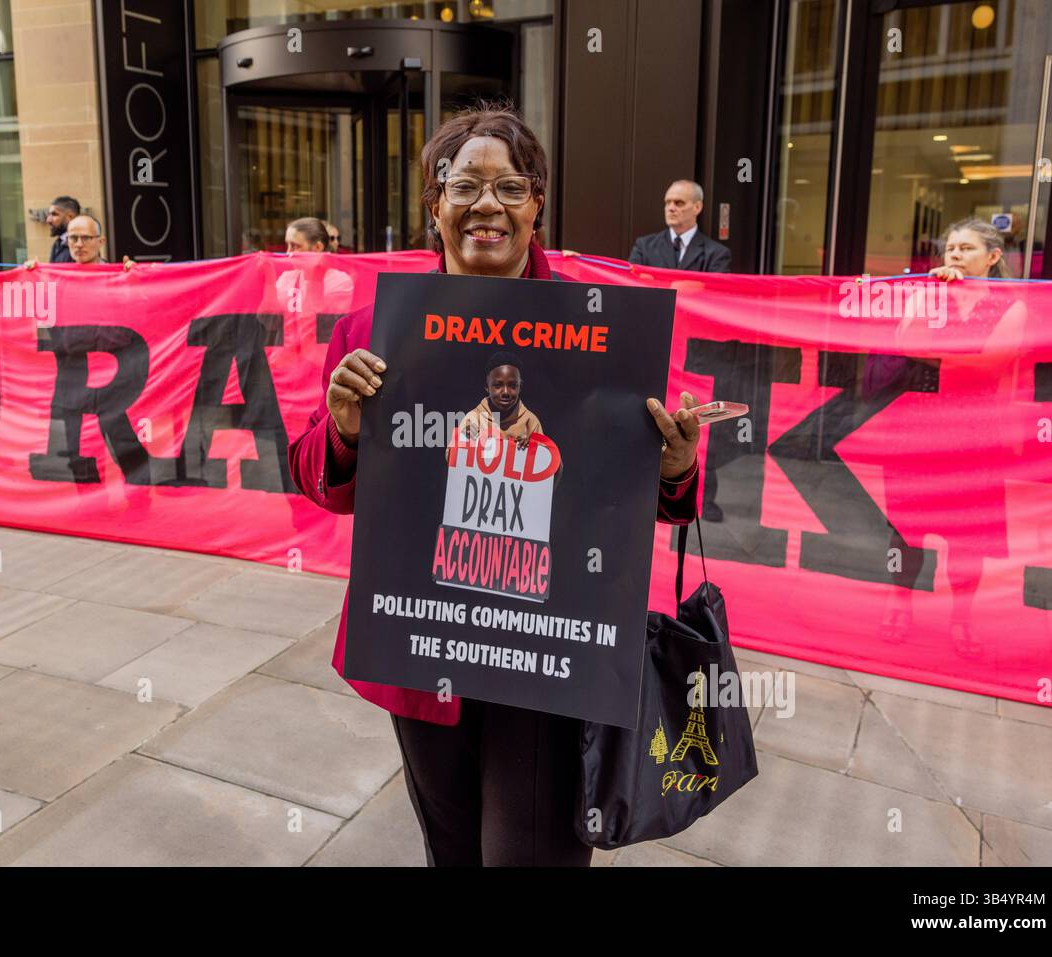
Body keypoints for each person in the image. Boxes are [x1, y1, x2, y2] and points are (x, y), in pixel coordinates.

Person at [287, 104, 702, 867]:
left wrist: (675, 464)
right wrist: (346, 428)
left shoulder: (601, 329)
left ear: (537, 205)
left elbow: (655, 480)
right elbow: (323, 480)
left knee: (529, 853)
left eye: (510, 187)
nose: (487, 205)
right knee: (451, 846)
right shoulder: (374, 327)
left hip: (548, 648)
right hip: (422, 638)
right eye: (464, 185)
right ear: (434, 204)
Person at [876, 218, 1026, 658]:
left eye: (966, 248)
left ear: (993, 257)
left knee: (968, 537)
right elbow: (907, 344)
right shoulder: (928, 295)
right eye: (950, 249)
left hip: (974, 434)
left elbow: (991, 364)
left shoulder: (1010, 305)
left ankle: (962, 618)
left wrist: (939, 353)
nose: (955, 256)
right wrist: (936, 298)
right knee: (907, 531)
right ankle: (899, 605)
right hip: (916, 429)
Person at [628, 179, 731, 273]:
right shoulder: (644, 247)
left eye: (679, 203)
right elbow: (631, 285)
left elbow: (715, 292)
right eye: (667, 202)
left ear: (697, 207)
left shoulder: (716, 254)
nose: (671, 208)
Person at [459, 351, 542, 449]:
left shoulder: (530, 421)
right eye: (498, 385)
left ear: (520, 387)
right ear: (487, 386)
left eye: (512, 385)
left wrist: (534, 448)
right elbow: (452, 456)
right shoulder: (474, 419)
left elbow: (551, 461)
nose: (506, 392)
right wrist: (465, 440)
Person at [25, 215, 133, 269]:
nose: (79, 244)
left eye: (86, 238)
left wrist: (134, 280)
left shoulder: (114, 276)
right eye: (73, 238)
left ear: (101, 241)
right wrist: (34, 276)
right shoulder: (61, 277)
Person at [45, 196, 81, 263]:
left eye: (54, 214)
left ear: (70, 216)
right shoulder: (57, 243)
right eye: (49, 214)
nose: (48, 220)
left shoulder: (84, 245)